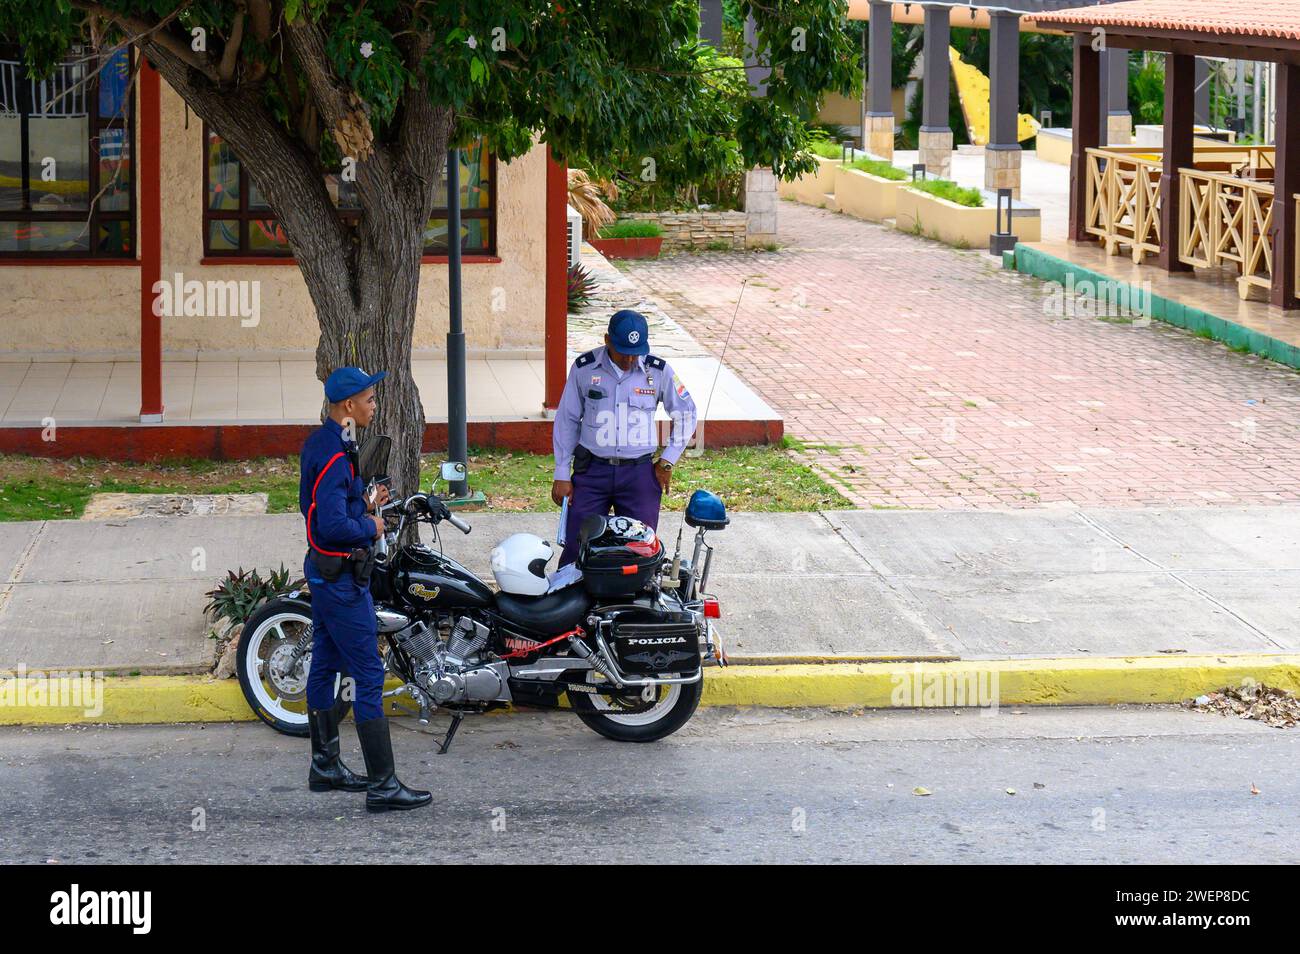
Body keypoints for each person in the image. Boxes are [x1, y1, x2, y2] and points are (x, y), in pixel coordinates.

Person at [299, 366, 432, 813]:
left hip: (322, 573)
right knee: (369, 676)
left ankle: (325, 766)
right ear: (348, 406)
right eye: (370, 399)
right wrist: (369, 523)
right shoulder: (336, 455)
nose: (375, 405)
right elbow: (331, 523)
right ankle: (383, 785)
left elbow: (314, 503)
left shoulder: (325, 442)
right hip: (340, 580)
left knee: (325, 663)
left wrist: (364, 499)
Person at [552, 309, 698, 566]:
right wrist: (562, 474)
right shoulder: (584, 369)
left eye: (636, 352)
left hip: (639, 474)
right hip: (592, 472)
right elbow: (567, 420)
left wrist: (667, 460)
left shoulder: (658, 371)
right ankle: (569, 603)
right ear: (607, 340)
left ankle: (632, 605)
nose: (630, 359)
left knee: (641, 549)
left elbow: (687, 413)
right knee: (577, 546)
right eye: (623, 352)